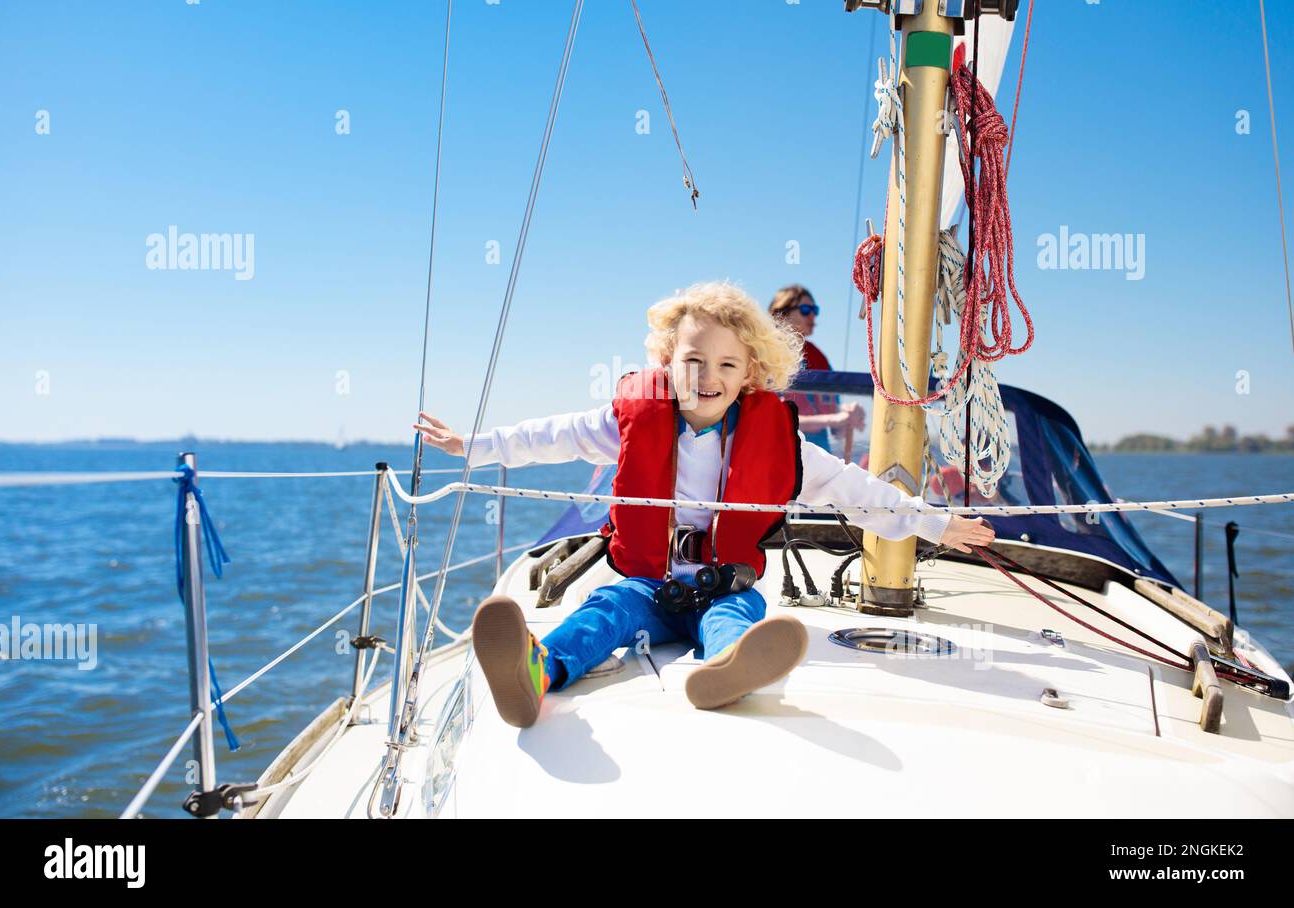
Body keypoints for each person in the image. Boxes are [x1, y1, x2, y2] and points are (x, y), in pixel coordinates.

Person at [414, 281, 994, 728]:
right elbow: (550, 437)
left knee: (730, 619)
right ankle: (536, 670)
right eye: (692, 361)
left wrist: (937, 525)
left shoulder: (780, 445)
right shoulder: (631, 420)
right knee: (604, 613)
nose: (706, 377)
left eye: (726, 365)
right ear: (668, 361)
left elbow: (855, 490)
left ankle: (727, 669)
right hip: (647, 583)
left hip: (726, 584)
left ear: (750, 374)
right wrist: (472, 446)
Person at [769, 284, 864, 454]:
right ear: (781, 313)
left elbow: (837, 431)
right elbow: (771, 418)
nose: (812, 315)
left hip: (820, 462)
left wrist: (849, 417)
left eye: (815, 310)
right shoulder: (766, 355)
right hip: (780, 455)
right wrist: (834, 419)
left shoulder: (818, 358)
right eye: (805, 309)